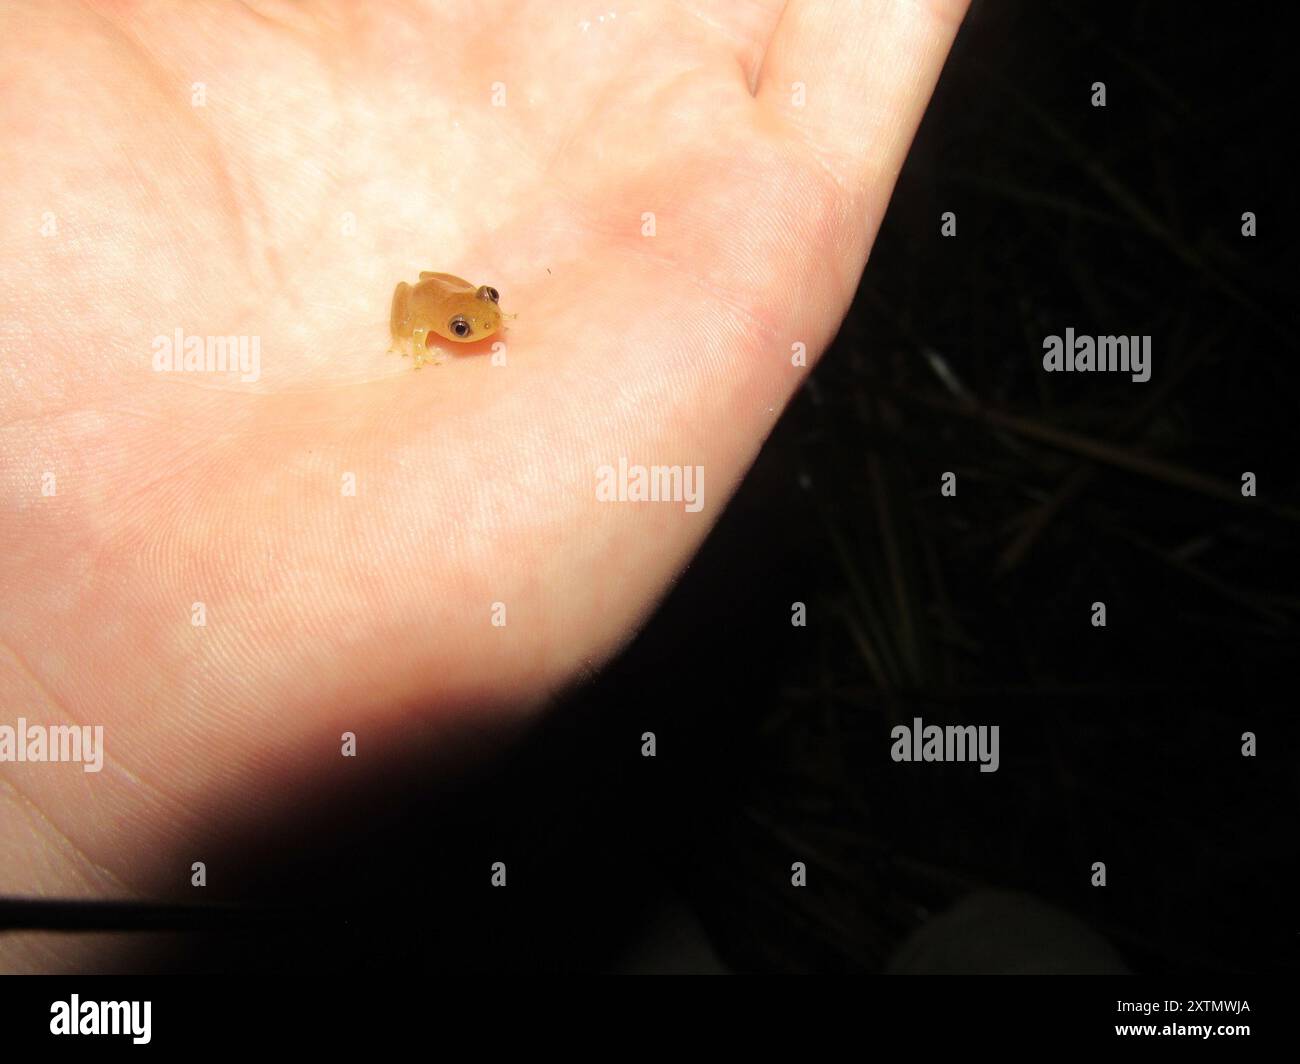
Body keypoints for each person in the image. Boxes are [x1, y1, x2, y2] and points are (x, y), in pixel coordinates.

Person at [0, 0, 969, 972]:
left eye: (483, 323)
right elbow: (418, 309)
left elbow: (457, 300)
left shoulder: (475, 307)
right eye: (473, 332)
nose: (486, 332)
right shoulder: (427, 323)